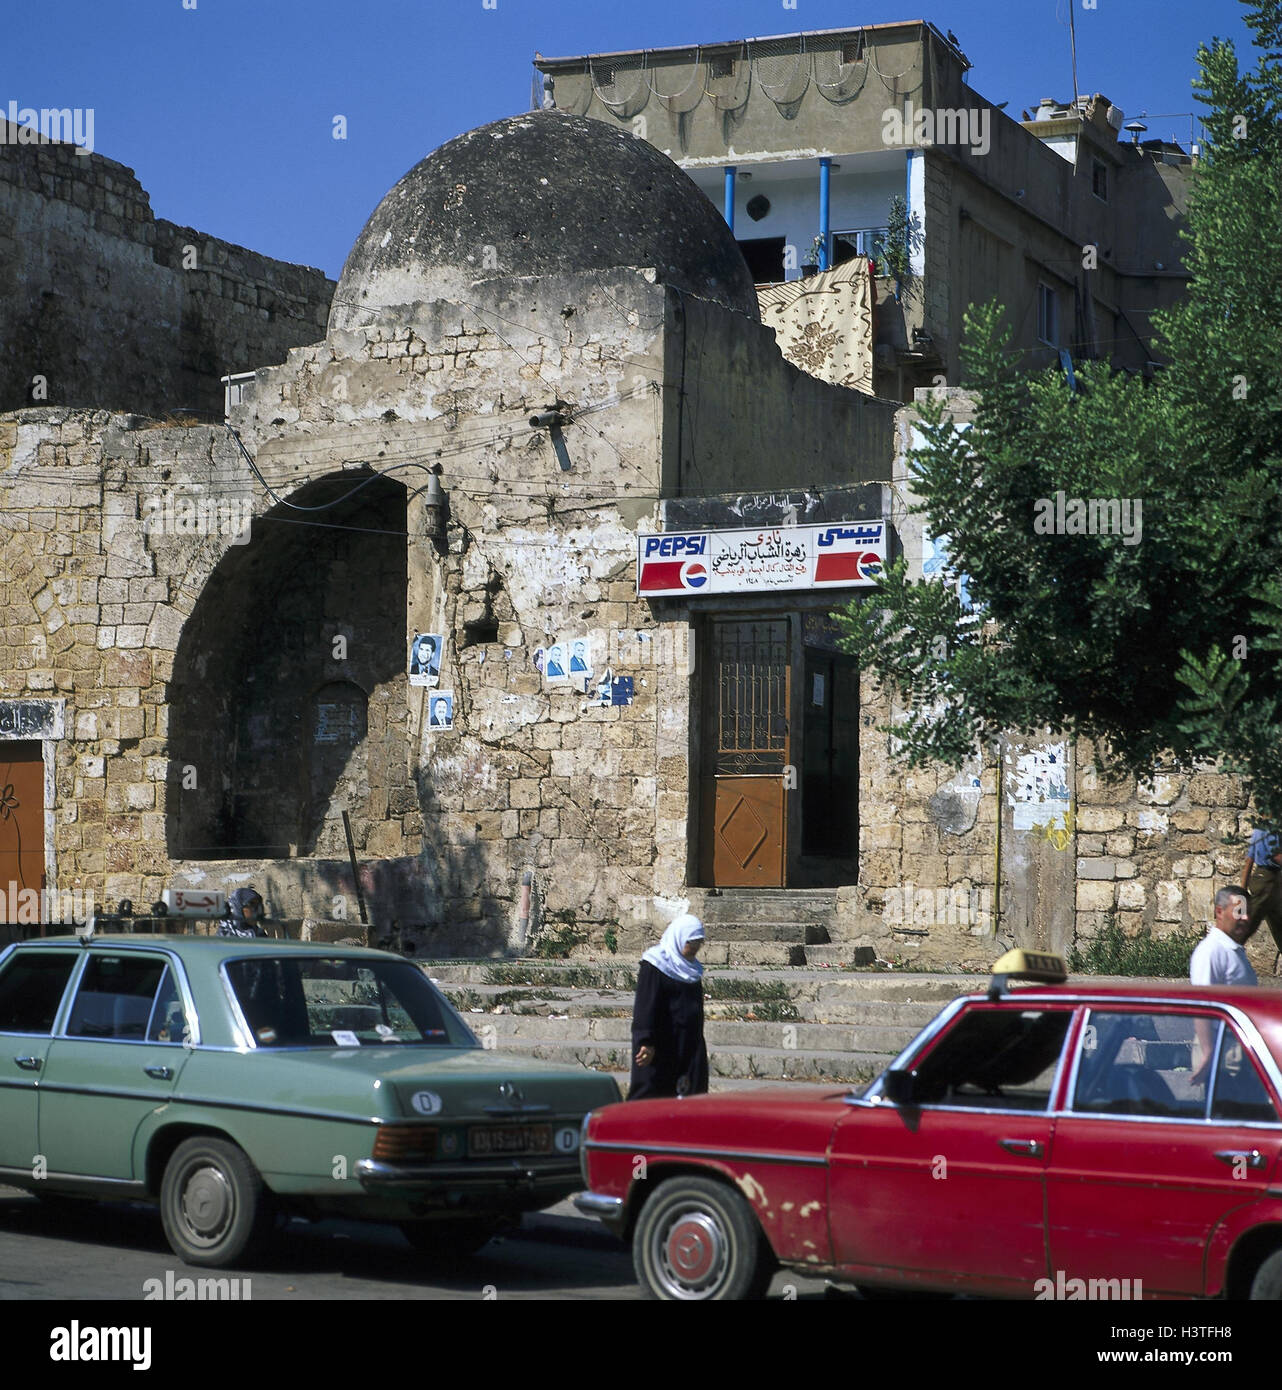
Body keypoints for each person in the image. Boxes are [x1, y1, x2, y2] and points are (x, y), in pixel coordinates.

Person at [629, 914, 709, 1101]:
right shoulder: (655, 965)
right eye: (692, 942)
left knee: (691, 1096)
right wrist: (645, 1041)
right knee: (653, 1096)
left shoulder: (692, 970)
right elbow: (645, 1006)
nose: (695, 947)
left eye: (699, 942)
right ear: (679, 937)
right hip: (660, 1045)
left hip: (689, 1044)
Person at [1190, 885, 1257, 1086]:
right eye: (1239, 912)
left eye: (1246, 913)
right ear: (1220, 912)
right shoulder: (1211, 951)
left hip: (1237, 1049)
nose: (1245, 918)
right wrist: (1209, 1052)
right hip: (1222, 1053)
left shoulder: (1232, 949)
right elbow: (1201, 1004)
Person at [1241, 825, 1282, 962]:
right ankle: (1231, 944)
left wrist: (1243, 887)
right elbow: (1277, 856)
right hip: (1267, 879)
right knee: (1249, 919)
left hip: (1264, 878)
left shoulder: (1259, 830)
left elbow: (1249, 861)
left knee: (1277, 922)